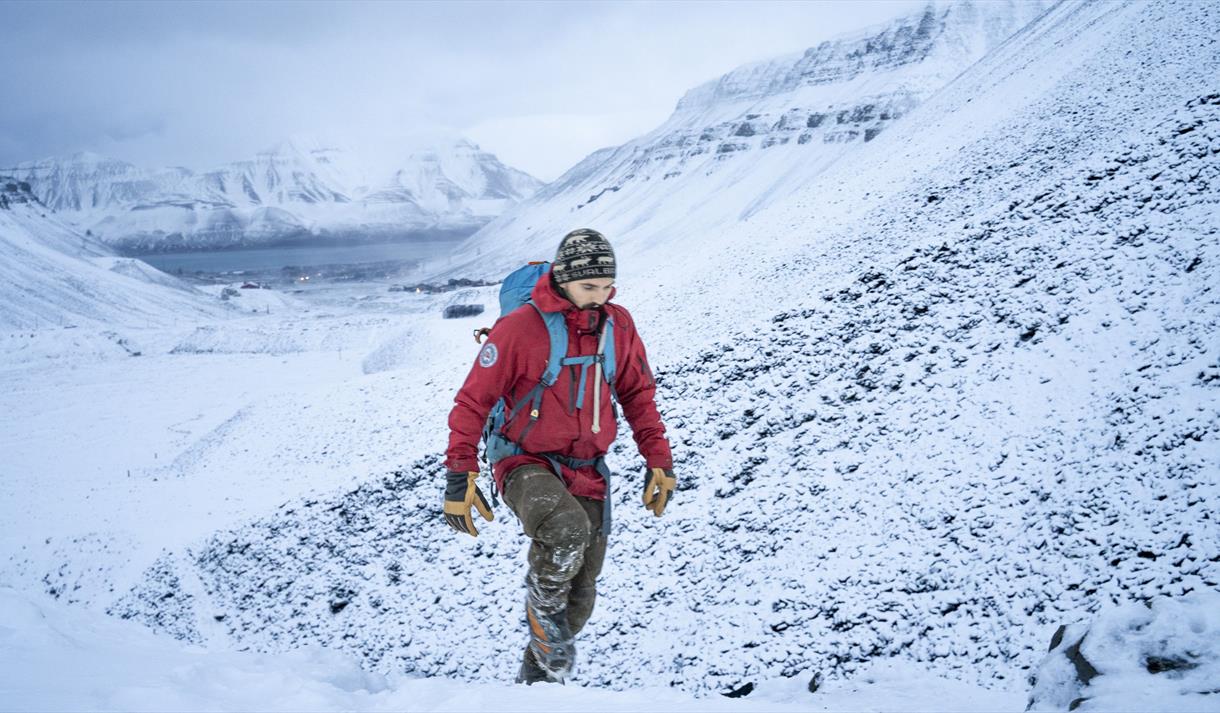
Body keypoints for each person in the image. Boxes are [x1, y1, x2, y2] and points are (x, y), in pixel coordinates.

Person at [443, 228, 676, 684]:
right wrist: (459, 478)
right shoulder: (520, 329)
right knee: (566, 532)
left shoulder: (618, 325)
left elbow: (638, 395)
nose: (601, 296)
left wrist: (659, 461)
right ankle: (542, 613)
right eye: (591, 287)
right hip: (523, 460)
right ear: (563, 280)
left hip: (587, 467)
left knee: (582, 592)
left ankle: (537, 684)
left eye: (609, 286)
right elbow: (471, 402)